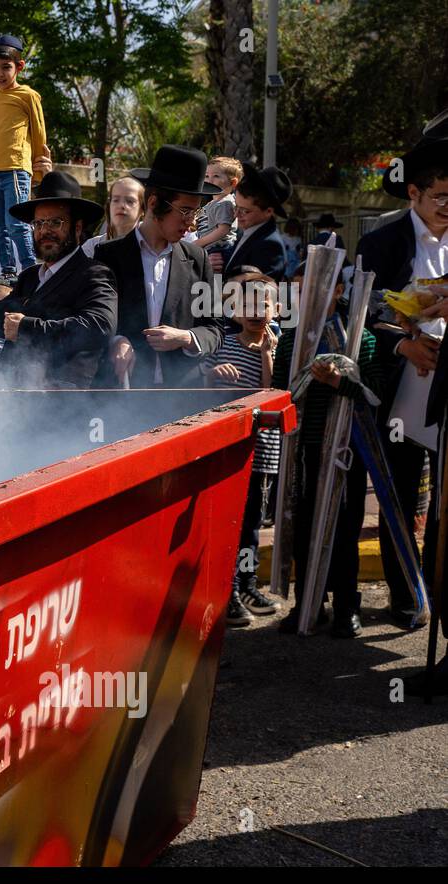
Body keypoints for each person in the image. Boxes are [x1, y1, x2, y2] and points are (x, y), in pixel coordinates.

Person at [362, 132, 448, 631]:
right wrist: (403, 343)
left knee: (445, 497)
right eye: (440, 197)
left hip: (447, 383)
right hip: (403, 385)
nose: (447, 208)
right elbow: (366, 308)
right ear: (413, 193)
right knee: (396, 489)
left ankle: (438, 585)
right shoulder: (382, 240)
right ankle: (406, 591)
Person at [272, 273, 380, 639]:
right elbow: (278, 395)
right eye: (301, 289)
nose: (307, 296)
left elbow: (374, 394)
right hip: (304, 450)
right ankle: (309, 604)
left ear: (337, 290)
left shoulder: (361, 339)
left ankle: (348, 606)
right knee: (303, 529)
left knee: (345, 528)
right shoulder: (290, 342)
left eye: (317, 286)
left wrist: (338, 381)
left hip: (346, 450)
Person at [91, 145, 222, 388]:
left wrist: (185, 337)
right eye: (184, 210)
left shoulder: (198, 259)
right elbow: (94, 321)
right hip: (124, 394)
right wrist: (116, 341)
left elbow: (214, 328)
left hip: (181, 396)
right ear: (153, 203)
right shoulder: (108, 255)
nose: (191, 221)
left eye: (196, 211)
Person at [0, 171, 117, 387]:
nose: (45, 231)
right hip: (15, 397)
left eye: (56, 222)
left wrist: (27, 326)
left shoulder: (93, 273)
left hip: (62, 400)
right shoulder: (29, 277)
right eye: (38, 223)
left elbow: (98, 327)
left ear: (77, 228)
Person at [200, 272, 281, 625]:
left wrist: (267, 355)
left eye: (262, 304)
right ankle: (227, 590)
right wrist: (215, 373)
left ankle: (246, 583)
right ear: (233, 309)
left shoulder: (277, 345)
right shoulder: (223, 343)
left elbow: (272, 392)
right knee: (228, 518)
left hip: (263, 447)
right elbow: (201, 382)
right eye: (246, 304)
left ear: (275, 309)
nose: (254, 312)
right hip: (229, 445)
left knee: (252, 522)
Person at [0, 34, 47, 280]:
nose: (0, 74)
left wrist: (38, 171)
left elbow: (39, 134)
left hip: (15, 169)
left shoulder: (28, 95)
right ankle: (8, 271)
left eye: (6, 67)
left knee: (17, 224)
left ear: (19, 67)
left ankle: (30, 270)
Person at [212, 165, 292, 281]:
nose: (236, 215)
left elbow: (255, 293)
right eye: (236, 207)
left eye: (245, 211)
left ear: (268, 211)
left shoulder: (270, 246)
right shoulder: (246, 230)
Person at [81, 176, 144, 258]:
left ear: (142, 209)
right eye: (116, 200)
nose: (121, 205)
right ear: (109, 205)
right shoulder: (92, 247)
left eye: (129, 201)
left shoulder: (151, 245)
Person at [193, 156, 241, 257]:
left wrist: (198, 243)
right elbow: (196, 216)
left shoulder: (225, 203)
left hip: (219, 248)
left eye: (216, 176)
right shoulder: (211, 203)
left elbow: (223, 230)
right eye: (206, 176)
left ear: (233, 182)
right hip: (209, 247)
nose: (209, 181)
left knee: (215, 272)